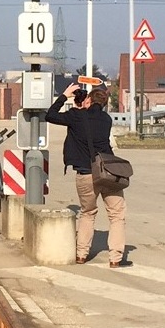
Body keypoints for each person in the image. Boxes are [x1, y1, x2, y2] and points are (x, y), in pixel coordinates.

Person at [46, 83, 129, 267]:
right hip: (108, 173)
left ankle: (81, 254)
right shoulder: (106, 119)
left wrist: (65, 96)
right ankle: (115, 258)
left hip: (85, 174)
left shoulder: (76, 116)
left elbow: (50, 115)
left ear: (88, 100)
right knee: (116, 215)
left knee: (88, 213)